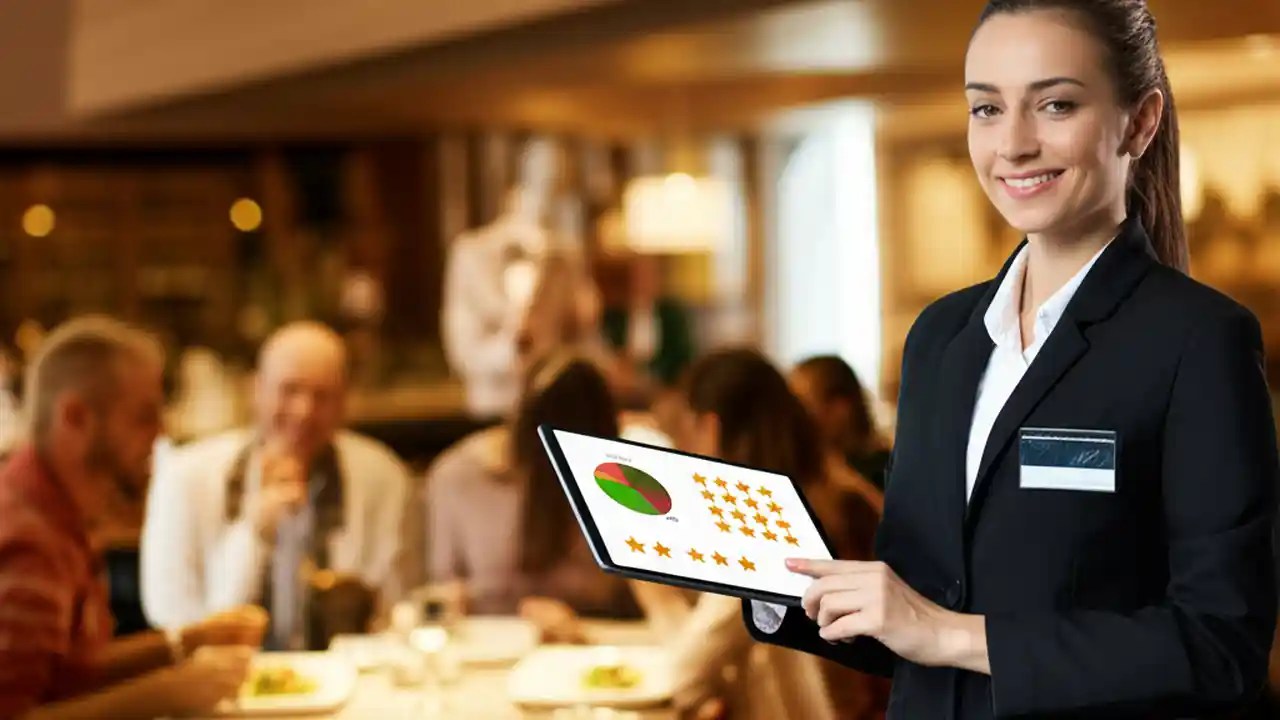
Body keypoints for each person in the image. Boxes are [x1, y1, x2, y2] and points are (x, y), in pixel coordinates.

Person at [747, 2, 1280, 717]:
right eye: (987, 110)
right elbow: (914, 617)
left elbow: (1221, 647)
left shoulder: (1198, 342)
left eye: (1055, 105)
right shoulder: (940, 339)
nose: (1014, 144)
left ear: (1140, 122)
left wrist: (950, 634)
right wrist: (780, 590)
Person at [0, 316, 268, 719]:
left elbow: (71, 668)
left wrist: (190, 640)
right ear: (75, 417)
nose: (162, 433)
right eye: (144, 417)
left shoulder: (54, 510)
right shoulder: (27, 539)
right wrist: (168, 692)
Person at [631, 349, 887, 720]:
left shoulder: (765, 530)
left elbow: (681, 678)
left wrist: (656, 594)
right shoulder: (834, 490)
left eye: (687, 431)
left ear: (710, 427)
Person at [141, 321, 410, 650]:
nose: (304, 411)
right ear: (256, 390)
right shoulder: (186, 477)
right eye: (289, 390)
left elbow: (396, 608)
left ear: (344, 403)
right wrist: (254, 533)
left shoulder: (381, 476)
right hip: (219, 683)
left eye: (323, 396)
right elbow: (175, 622)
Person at [425, 352, 638, 624]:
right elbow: (442, 590)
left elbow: (633, 598)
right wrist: (455, 601)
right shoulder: (457, 477)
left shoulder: (620, 480)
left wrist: (579, 620)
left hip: (593, 644)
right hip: (486, 645)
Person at [790, 355, 893, 491]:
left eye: (805, 405)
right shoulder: (803, 466)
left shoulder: (884, 470)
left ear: (841, 407)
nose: (796, 417)